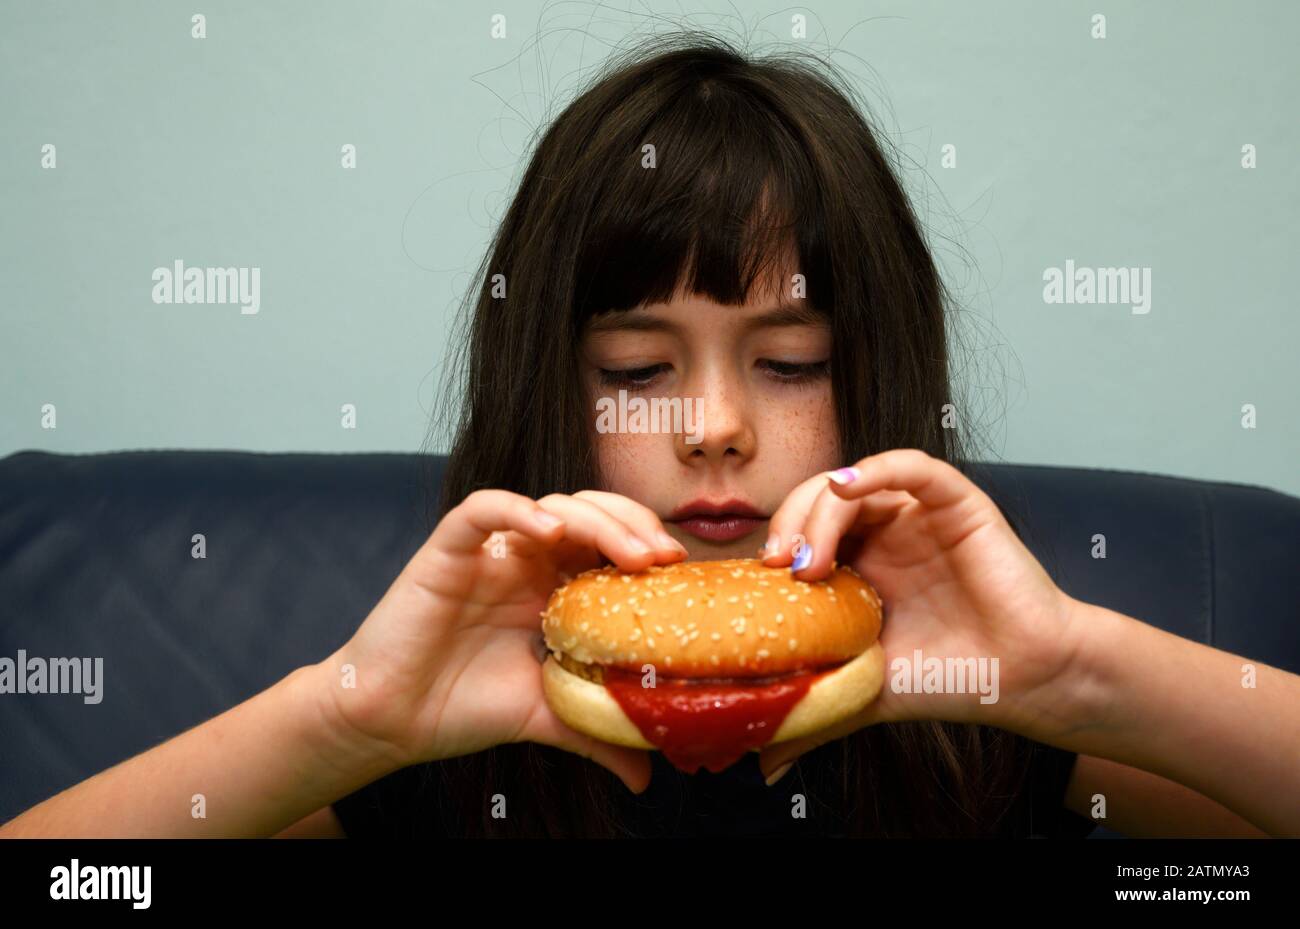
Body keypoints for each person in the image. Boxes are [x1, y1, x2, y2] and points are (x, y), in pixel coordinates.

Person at [3, 34, 1291, 839]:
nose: (717, 429)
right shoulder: (464, 736)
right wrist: (346, 722)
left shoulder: (987, 735)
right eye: (636, 369)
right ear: (551, 397)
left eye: (791, 362)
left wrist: (1074, 674)